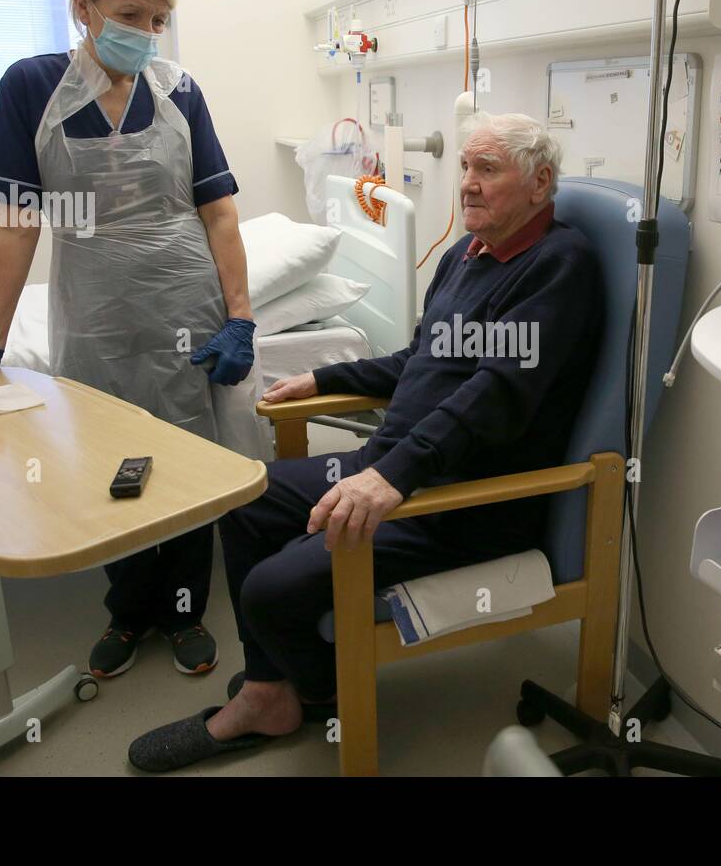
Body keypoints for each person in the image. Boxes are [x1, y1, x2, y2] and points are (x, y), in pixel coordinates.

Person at [127, 112, 604, 772]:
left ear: (539, 183)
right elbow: (420, 360)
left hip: (457, 503)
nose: (466, 183)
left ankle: (310, 685)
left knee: (270, 590)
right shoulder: (467, 256)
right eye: (465, 166)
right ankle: (276, 691)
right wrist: (324, 375)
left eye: (486, 169)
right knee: (241, 502)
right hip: (396, 467)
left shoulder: (558, 268)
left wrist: (396, 474)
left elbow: (496, 395)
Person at [0, 0, 254, 679]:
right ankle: (129, 612)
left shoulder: (179, 90)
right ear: (82, 8)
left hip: (182, 293)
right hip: (91, 300)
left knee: (188, 451)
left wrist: (241, 315)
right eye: (131, 14)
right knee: (105, 457)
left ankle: (185, 609)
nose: (146, 33)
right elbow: (17, 221)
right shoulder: (30, 86)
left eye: (158, 20)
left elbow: (219, 211)